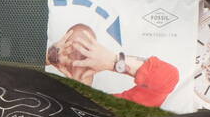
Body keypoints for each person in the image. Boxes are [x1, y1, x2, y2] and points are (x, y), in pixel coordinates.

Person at [46, 23, 180, 109]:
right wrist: (47, 58)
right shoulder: (45, 101)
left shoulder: (113, 106)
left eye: (86, 50)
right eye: (70, 49)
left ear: (96, 59)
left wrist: (114, 62)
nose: (77, 55)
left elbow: (168, 78)